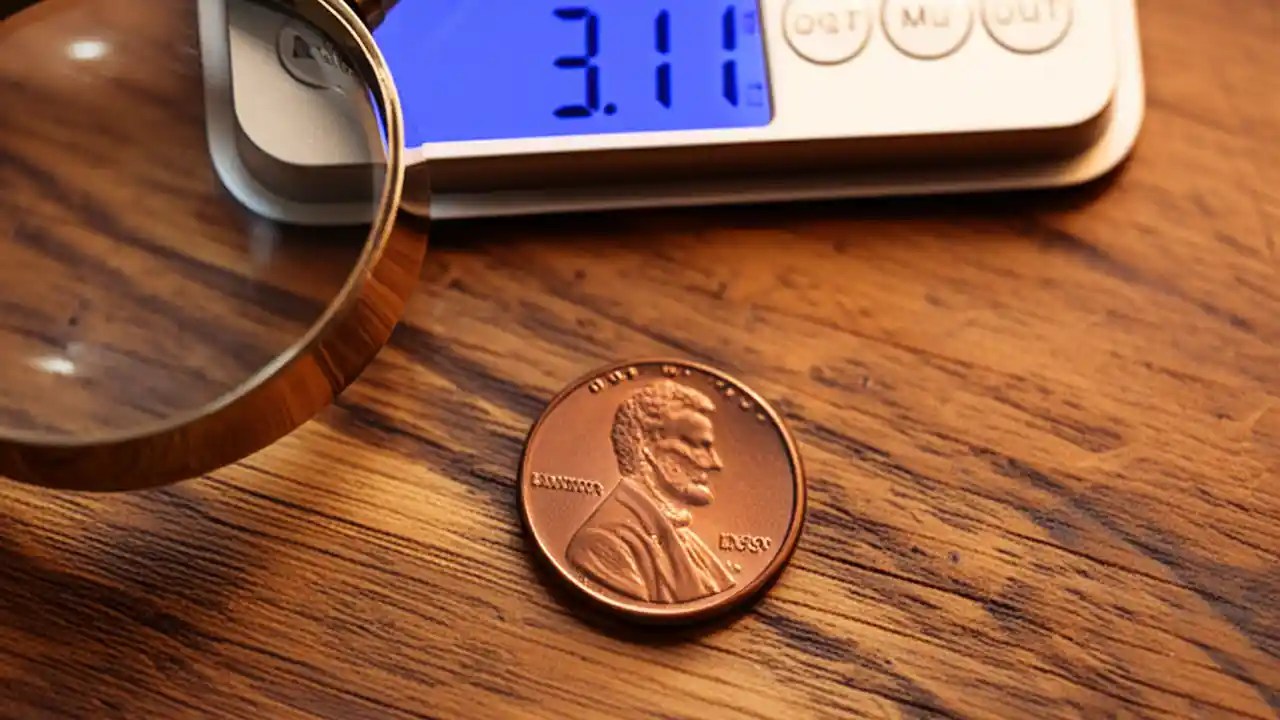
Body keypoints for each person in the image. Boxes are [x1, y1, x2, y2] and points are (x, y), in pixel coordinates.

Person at [566, 380, 736, 603]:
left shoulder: (685, 537)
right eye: (699, 445)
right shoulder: (602, 543)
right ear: (647, 444)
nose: (715, 463)